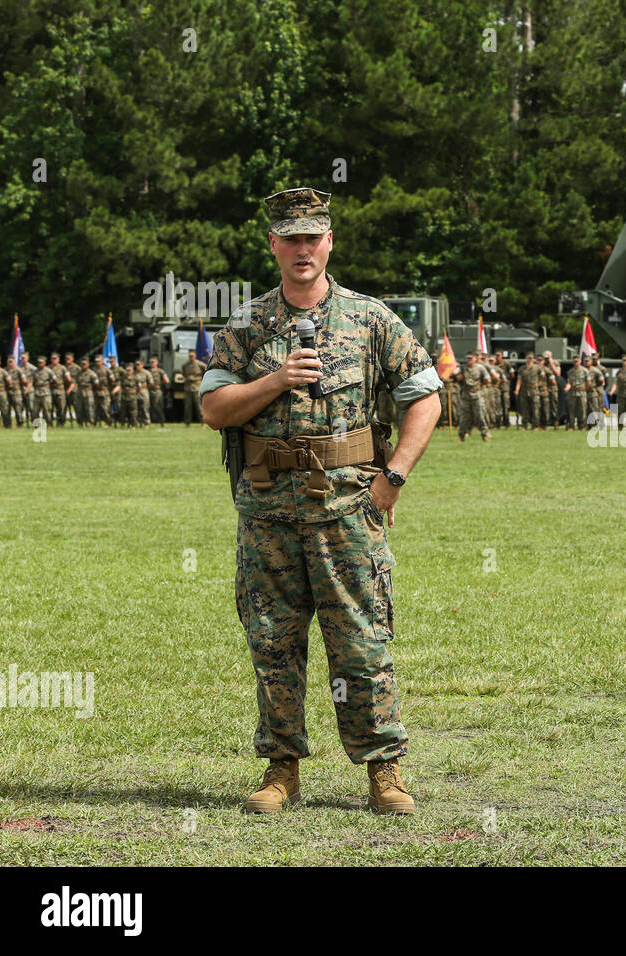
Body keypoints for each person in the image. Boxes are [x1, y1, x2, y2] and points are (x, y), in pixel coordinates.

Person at [200, 186, 442, 816]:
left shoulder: (372, 319)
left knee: (362, 639)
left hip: (349, 507)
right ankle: (281, 771)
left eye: (314, 237)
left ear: (330, 242)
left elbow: (426, 397)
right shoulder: (247, 325)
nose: (303, 249)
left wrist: (396, 475)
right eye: (292, 238)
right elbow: (213, 408)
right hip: (268, 512)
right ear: (273, 245)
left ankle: (383, 771)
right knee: (273, 642)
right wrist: (275, 379)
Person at [454, 351, 491, 442]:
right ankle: (461, 436)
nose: (469, 360)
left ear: (475, 358)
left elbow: (487, 379)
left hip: (477, 394)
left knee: (480, 416)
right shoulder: (463, 368)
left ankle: (484, 434)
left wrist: (479, 386)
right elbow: (455, 373)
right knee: (463, 417)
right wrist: (457, 375)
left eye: (471, 358)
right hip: (465, 395)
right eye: (468, 358)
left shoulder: (480, 368)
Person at [563, 355, 591, 429]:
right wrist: (567, 388)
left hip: (582, 393)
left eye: (577, 361)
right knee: (571, 410)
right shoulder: (570, 371)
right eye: (574, 361)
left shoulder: (585, 371)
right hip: (573, 393)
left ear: (580, 361)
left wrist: (585, 389)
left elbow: (588, 383)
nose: (575, 363)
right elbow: (569, 382)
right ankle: (571, 426)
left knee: (582, 410)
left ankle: (582, 426)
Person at [514, 352, 538, 429]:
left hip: (534, 390)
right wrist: (517, 389)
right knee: (524, 409)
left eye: (531, 358)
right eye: (528, 358)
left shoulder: (537, 368)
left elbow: (542, 378)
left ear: (533, 359)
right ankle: (524, 425)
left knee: (535, 409)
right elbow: (519, 380)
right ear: (526, 358)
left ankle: (535, 426)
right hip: (524, 390)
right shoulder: (522, 368)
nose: (529, 360)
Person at [182, 351, 207, 426]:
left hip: (197, 387)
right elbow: (183, 373)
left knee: (199, 406)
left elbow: (206, 370)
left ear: (195, 356)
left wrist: (202, 379)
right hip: (188, 387)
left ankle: (203, 422)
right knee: (187, 407)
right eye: (190, 356)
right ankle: (187, 423)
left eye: (192, 356)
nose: (191, 357)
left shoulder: (200, 364)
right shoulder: (185, 365)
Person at [147, 356, 170, 427]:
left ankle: (162, 422)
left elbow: (167, 380)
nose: (151, 363)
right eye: (150, 362)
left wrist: (159, 384)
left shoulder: (160, 371)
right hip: (148, 391)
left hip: (157, 391)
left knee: (158, 407)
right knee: (147, 407)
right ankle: (147, 423)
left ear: (156, 363)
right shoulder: (147, 371)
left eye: (153, 362)